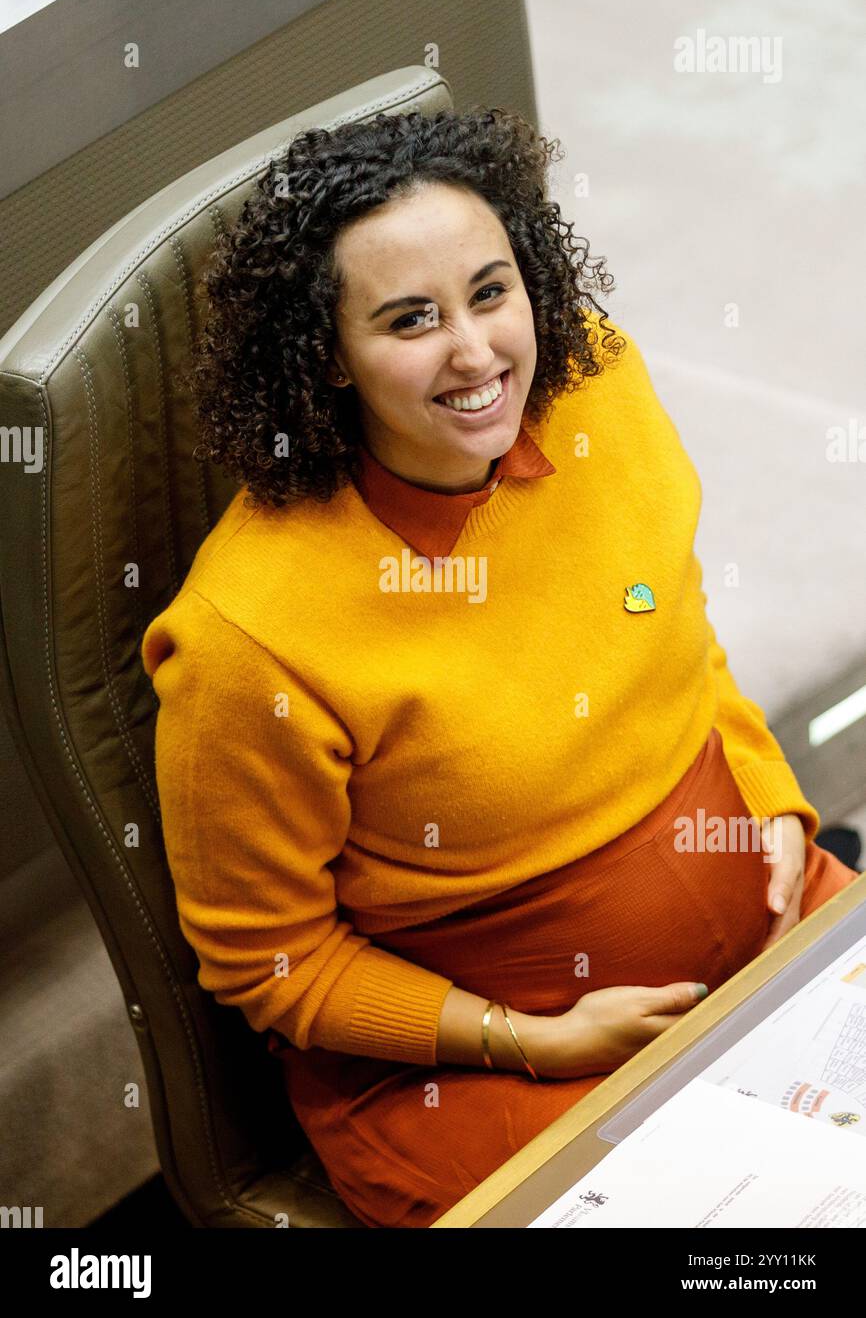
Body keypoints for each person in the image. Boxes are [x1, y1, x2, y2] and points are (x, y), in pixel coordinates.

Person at [141, 106, 859, 1229]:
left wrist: (766, 793)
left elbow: (672, 613)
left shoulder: (595, 385)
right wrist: (527, 1038)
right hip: (484, 1067)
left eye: (490, 291)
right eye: (409, 320)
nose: (477, 353)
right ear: (326, 354)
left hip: (767, 912)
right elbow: (267, 963)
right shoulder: (246, 637)